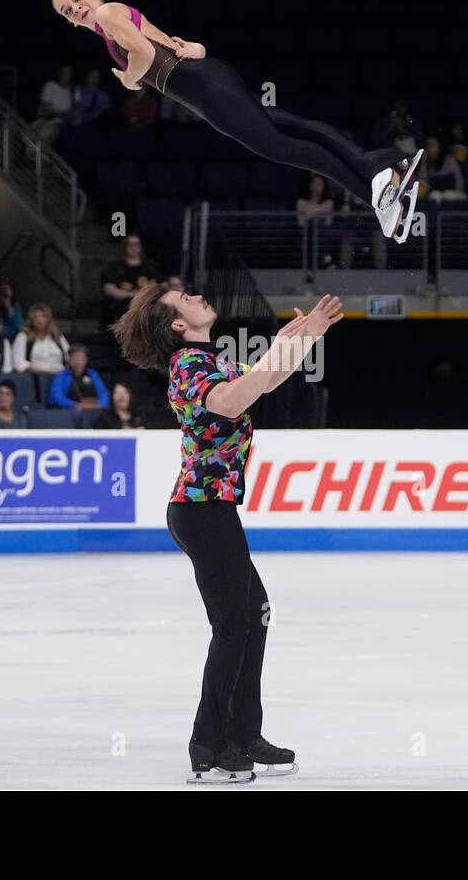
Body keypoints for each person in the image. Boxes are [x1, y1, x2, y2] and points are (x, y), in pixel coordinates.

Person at [108, 282, 340, 782]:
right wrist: (281, 350)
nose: (195, 296)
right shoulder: (189, 368)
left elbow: (267, 378)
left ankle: (244, 735)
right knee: (233, 626)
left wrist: (305, 338)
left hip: (212, 509)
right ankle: (207, 747)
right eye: (184, 299)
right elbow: (234, 401)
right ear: (176, 324)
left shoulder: (208, 360)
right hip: (200, 511)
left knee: (254, 615)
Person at [53, 0, 418, 242]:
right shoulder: (111, 17)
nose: (76, 8)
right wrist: (191, 47)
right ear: (68, 23)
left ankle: (376, 185)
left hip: (205, 91)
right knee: (286, 125)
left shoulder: (105, 13)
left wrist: (128, 80)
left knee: (282, 147)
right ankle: (379, 168)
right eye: (67, 11)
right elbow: (180, 46)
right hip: (208, 78)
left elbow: (145, 55)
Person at [101, 235, 163, 324]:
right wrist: (134, 295)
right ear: (124, 247)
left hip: (148, 311)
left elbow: (163, 286)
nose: (134, 247)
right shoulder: (114, 269)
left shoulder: (152, 268)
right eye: (130, 244)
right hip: (121, 312)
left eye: (137, 244)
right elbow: (109, 290)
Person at [48, 344, 110, 426]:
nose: (78, 361)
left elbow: (104, 393)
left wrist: (100, 405)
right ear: (69, 359)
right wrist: (75, 405)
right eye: (75, 357)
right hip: (70, 412)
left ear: (86, 360)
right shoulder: (61, 376)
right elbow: (56, 397)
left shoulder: (92, 374)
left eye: (81, 358)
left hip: (93, 410)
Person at [12, 302, 70, 374]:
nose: (39, 320)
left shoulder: (57, 336)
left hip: (59, 375)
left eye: (43, 316)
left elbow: (69, 356)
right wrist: (39, 371)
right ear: (31, 320)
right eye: (36, 317)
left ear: (48, 319)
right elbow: (19, 362)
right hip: (35, 376)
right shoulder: (23, 336)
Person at [415, 135, 466, 203]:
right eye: (428, 145)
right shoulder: (425, 163)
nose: (429, 148)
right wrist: (423, 163)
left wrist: (458, 191)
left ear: (439, 147)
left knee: (448, 195)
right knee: (435, 195)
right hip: (436, 195)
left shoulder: (449, 160)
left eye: (433, 145)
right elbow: (423, 185)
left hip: (453, 193)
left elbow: (459, 180)